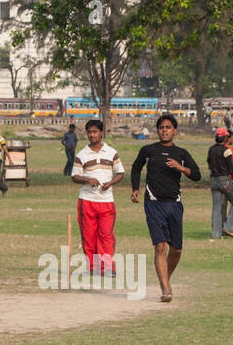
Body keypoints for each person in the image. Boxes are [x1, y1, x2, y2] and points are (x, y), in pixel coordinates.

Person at [130, 114, 201, 302]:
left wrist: (181, 168)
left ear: (174, 131)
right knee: (160, 246)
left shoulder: (181, 153)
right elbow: (136, 168)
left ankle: (165, 279)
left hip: (175, 204)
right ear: (157, 130)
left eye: (168, 127)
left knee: (176, 250)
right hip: (153, 203)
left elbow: (197, 175)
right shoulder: (148, 150)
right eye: (161, 127)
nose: (164, 130)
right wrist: (135, 188)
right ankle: (165, 289)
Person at [71, 118, 124, 274]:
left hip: (106, 201)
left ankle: (107, 267)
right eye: (89, 132)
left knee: (106, 235)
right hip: (87, 200)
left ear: (101, 133)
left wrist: (110, 183)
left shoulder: (111, 152)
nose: (92, 135)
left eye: (94, 132)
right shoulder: (82, 154)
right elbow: (75, 176)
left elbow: (120, 173)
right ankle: (93, 267)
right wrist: (88, 179)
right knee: (89, 236)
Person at [207, 128, 233, 239]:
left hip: (213, 180)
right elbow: (231, 168)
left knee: (216, 207)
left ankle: (215, 234)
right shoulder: (227, 151)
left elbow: (209, 165)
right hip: (225, 180)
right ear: (225, 137)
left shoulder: (211, 149)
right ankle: (229, 227)